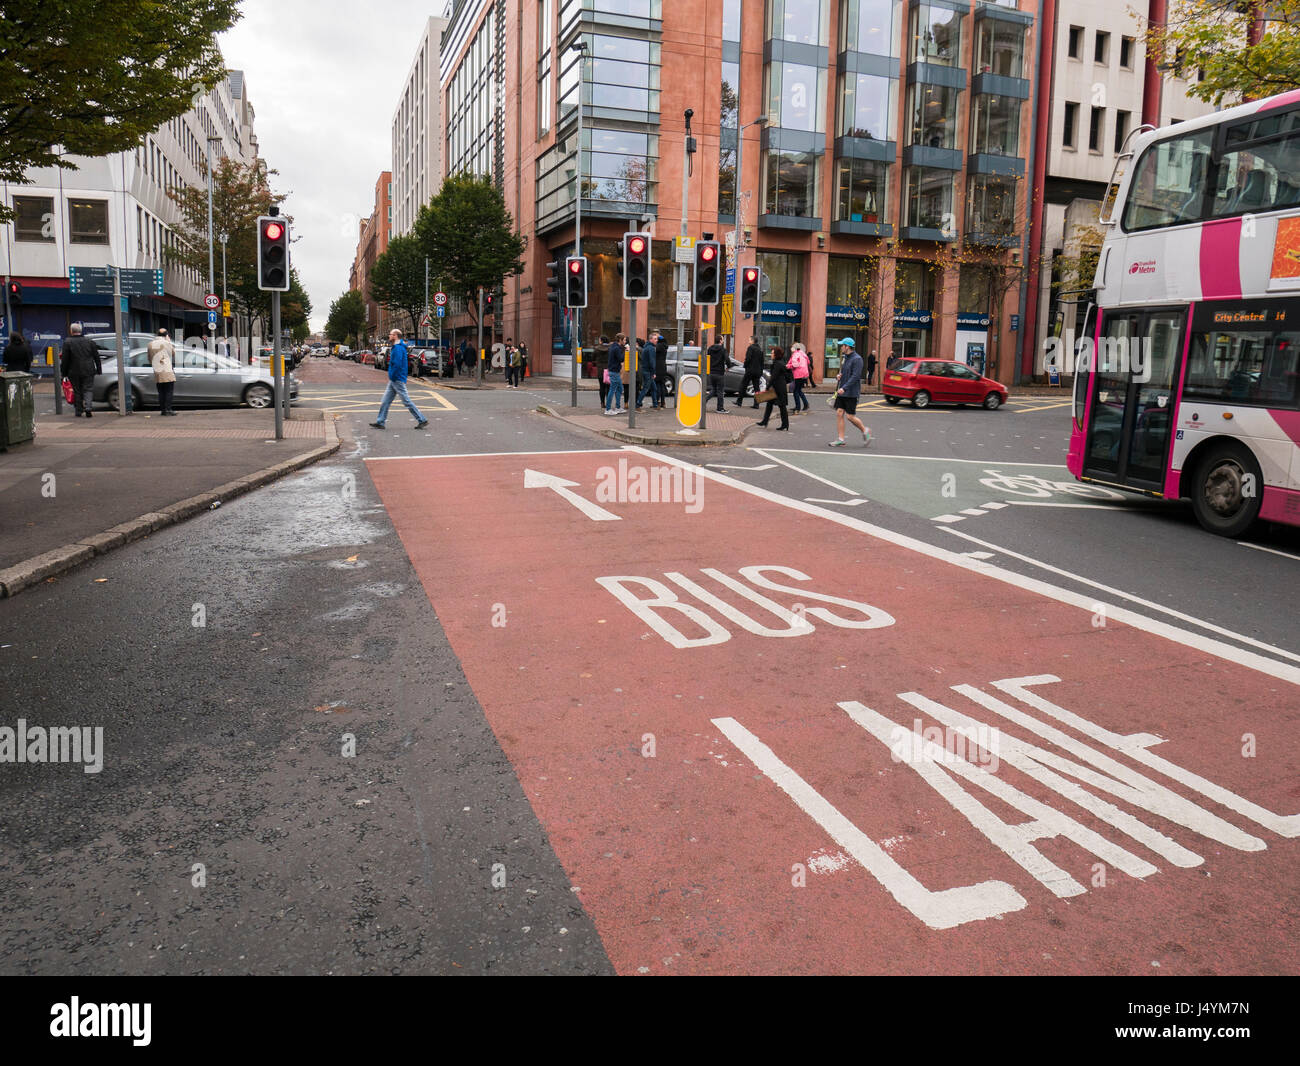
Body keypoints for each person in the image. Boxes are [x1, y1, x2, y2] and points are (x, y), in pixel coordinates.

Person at [370, 328, 429, 429]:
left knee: (406, 401)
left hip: (397, 378)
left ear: (395, 336)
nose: (389, 336)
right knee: (385, 401)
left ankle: (422, 419)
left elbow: (397, 364)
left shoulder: (397, 348)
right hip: (395, 379)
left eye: (390, 334)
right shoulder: (398, 347)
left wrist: (392, 375)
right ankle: (380, 422)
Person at [829, 336, 870, 447]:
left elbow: (856, 376)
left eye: (842, 345)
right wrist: (839, 376)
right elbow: (846, 373)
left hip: (851, 392)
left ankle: (865, 430)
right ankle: (841, 439)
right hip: (842, 391)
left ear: (847, 347)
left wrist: (844, 387)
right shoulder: (846, 357)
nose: (841, 347)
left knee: (850, 416)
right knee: (839, 413)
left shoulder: (857, 359)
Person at [60, 323, 102, 417]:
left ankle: (78, 410)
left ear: (71, 331)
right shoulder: (89, 341)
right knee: (88, 389)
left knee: (77, 390)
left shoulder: (67, 342)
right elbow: (96, 357)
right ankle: (88, 408)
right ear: (81, 331)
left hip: (73, 370)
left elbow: (65, 359)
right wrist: (99, 369)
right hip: (88, 369)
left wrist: (64, 372)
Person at [756, 346, 791, 430]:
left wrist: (767, 387)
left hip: (779, 388)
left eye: (772, 353)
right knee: (769, 404)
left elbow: (773, 377)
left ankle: (785, 424)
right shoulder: (780, 362)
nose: (770, 354)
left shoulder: (778, 364)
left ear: (776, 355)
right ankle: (765, 421)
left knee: (782, 406)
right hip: (777, 387)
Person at [147, 328, 177, 416]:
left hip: (157, 370)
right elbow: (173, 353)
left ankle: (163, 410)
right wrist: (169, 341)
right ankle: (168, 409)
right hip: (167, 370)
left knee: (161, 391)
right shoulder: (166, 343)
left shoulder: (150, 344)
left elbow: (149, 358)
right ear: (166, 335)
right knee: (169, 391)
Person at [735, 337, 764, 409]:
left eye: (749, 340)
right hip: (757, 371)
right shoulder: (760, 349)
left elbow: (748, 358)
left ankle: (739, 402)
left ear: (753, 341)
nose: (748, 341)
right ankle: (756, 404)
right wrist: (760, 371)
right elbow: (762, 362)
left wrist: (745, 366)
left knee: (743, 385)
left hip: (750, 370)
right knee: (757, 387)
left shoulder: (750, 348)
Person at [604, 334, 626, 414]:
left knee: (619, 388)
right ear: (620, 340)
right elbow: (621, 359)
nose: (625, 341)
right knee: (612, 390)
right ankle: (608, 409)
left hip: (614, 370)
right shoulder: (616, 348)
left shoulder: (614, 346)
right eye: (624, 340)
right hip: (614, 371)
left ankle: (617, 407)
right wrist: (626, 351)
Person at [788, 342, 811, 413]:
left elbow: (795, 364)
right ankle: (805, 404)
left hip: (798, 374)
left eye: (791, 347)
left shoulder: (795, 355)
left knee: (795, 391)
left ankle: (798, 407)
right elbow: (808, 362)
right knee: (799, 390)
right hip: (804, 374)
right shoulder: (803, 353)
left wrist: (787, 366)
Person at [706, 337, 728, 413]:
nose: (723, 340)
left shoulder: (710, 349)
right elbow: (727, 359)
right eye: (722, 339)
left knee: (714, 390)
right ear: (720, 341)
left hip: (711, 373)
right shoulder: (723, 349)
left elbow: (707, 358)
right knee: (720, 391)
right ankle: (720, 408)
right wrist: (729, 366)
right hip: (719, 373)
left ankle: (702, 403)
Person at [636, 333, 657, 409]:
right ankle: (638, 404)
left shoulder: (646, 347)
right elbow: (652, 361)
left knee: (654, 388)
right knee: (645, 388)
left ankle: (655, 405)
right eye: (655, 339)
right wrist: (653, 372)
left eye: (656, 339)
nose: (656, 340)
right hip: (648, 371)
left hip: (645, 370)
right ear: (650, 339)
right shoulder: (651, 348)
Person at [654, 331, 669, 407]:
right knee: (662, 384)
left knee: (657, 384)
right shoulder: (665, 346)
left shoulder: (658, 346)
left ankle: (657, 402)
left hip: (658, 367)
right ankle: (663, 402)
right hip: (663, 366)